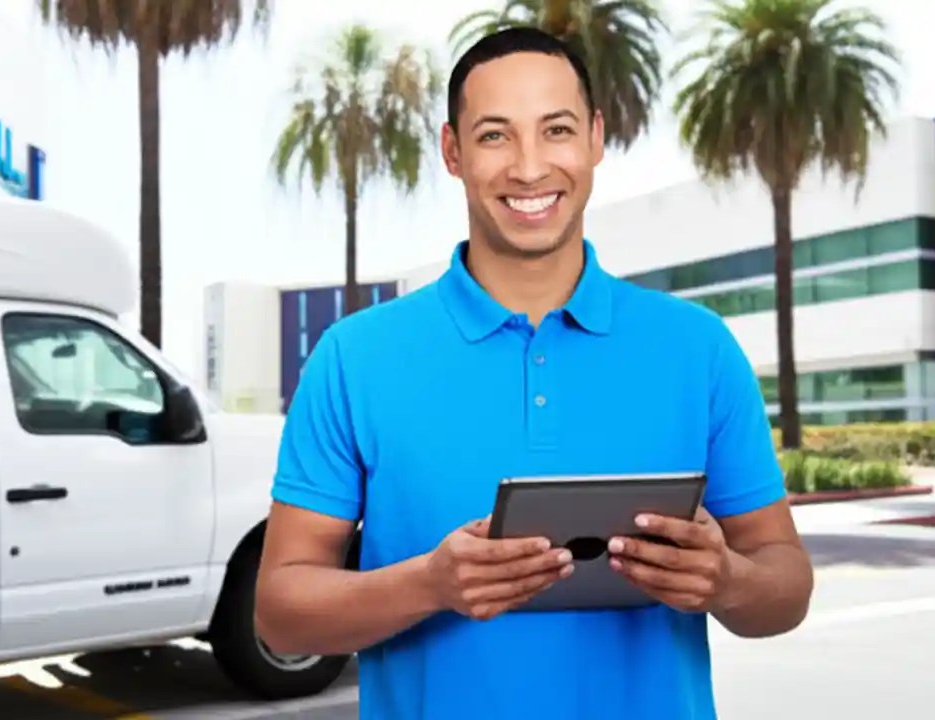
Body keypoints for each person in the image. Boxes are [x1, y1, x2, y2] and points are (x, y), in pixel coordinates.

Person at [253, 25, 814, 720]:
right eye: (494, 135)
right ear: (452, 151)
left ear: (595, 138)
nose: (528, 167)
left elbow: (786, 584)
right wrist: (430, 584)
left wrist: (726, 579)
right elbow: (281, 613)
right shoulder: (353, 357)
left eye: (556, 130)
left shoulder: (697, 348)